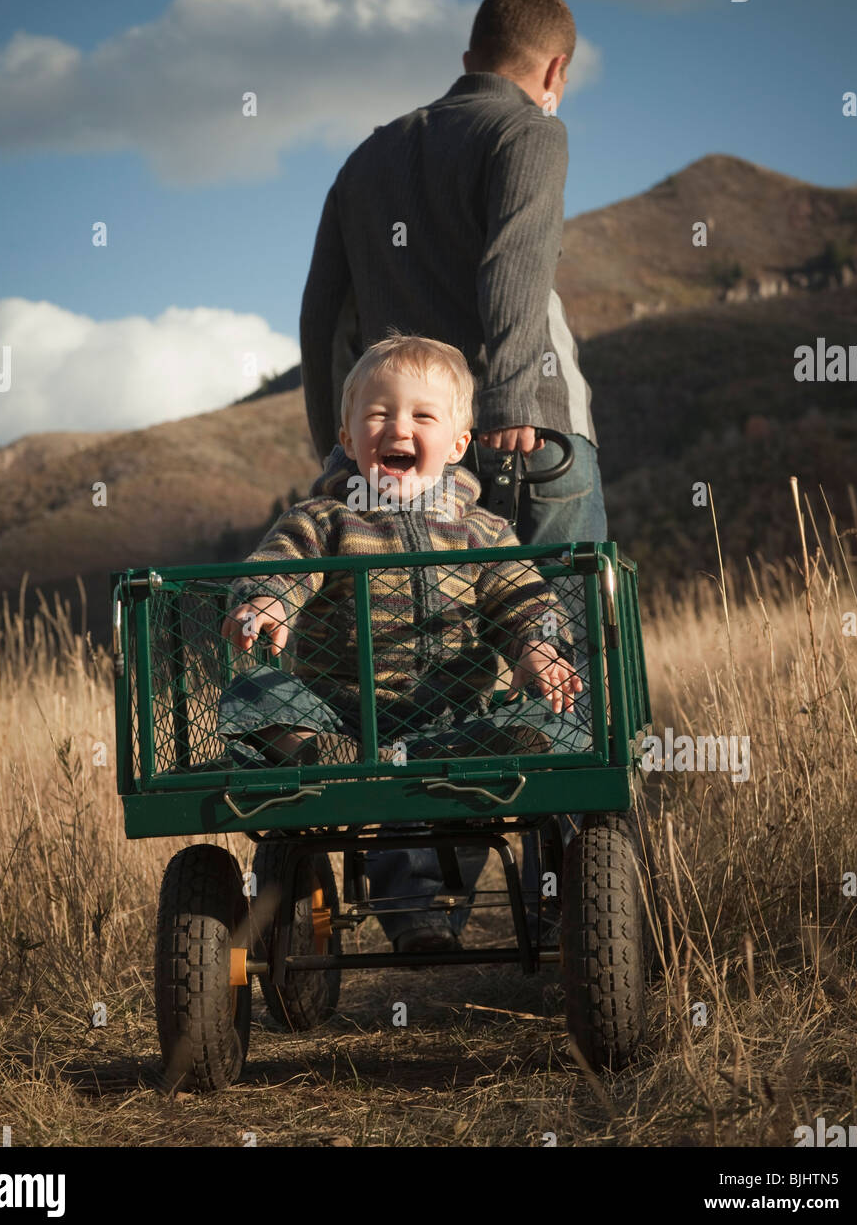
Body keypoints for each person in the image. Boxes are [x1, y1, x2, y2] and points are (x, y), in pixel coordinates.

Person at [298, 0, 608, 944]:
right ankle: (574, 908)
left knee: (417, 663)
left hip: (389, 465)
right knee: (555, 655)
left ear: (470, 49)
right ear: (552, 70)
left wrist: (334, 447)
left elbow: (321, 313)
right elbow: (512, 264)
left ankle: (419, 892)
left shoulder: (370, 154)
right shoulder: (530, 133)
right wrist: (514, 400)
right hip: (529, 441)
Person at [218, 334, 591, 952]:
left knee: (555, 725)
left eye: (422, 415)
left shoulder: (481, 528)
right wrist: (267, 600)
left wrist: (538, 647)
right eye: (379, 413)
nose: (398, 426)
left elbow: (523, 596)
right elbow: (282, 560)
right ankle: (315, 753)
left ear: (458, 443)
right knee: (253, 692)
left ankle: (436, 909)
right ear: (347, 438)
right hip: (347, 715)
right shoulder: (327, 519)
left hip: (453, 716)